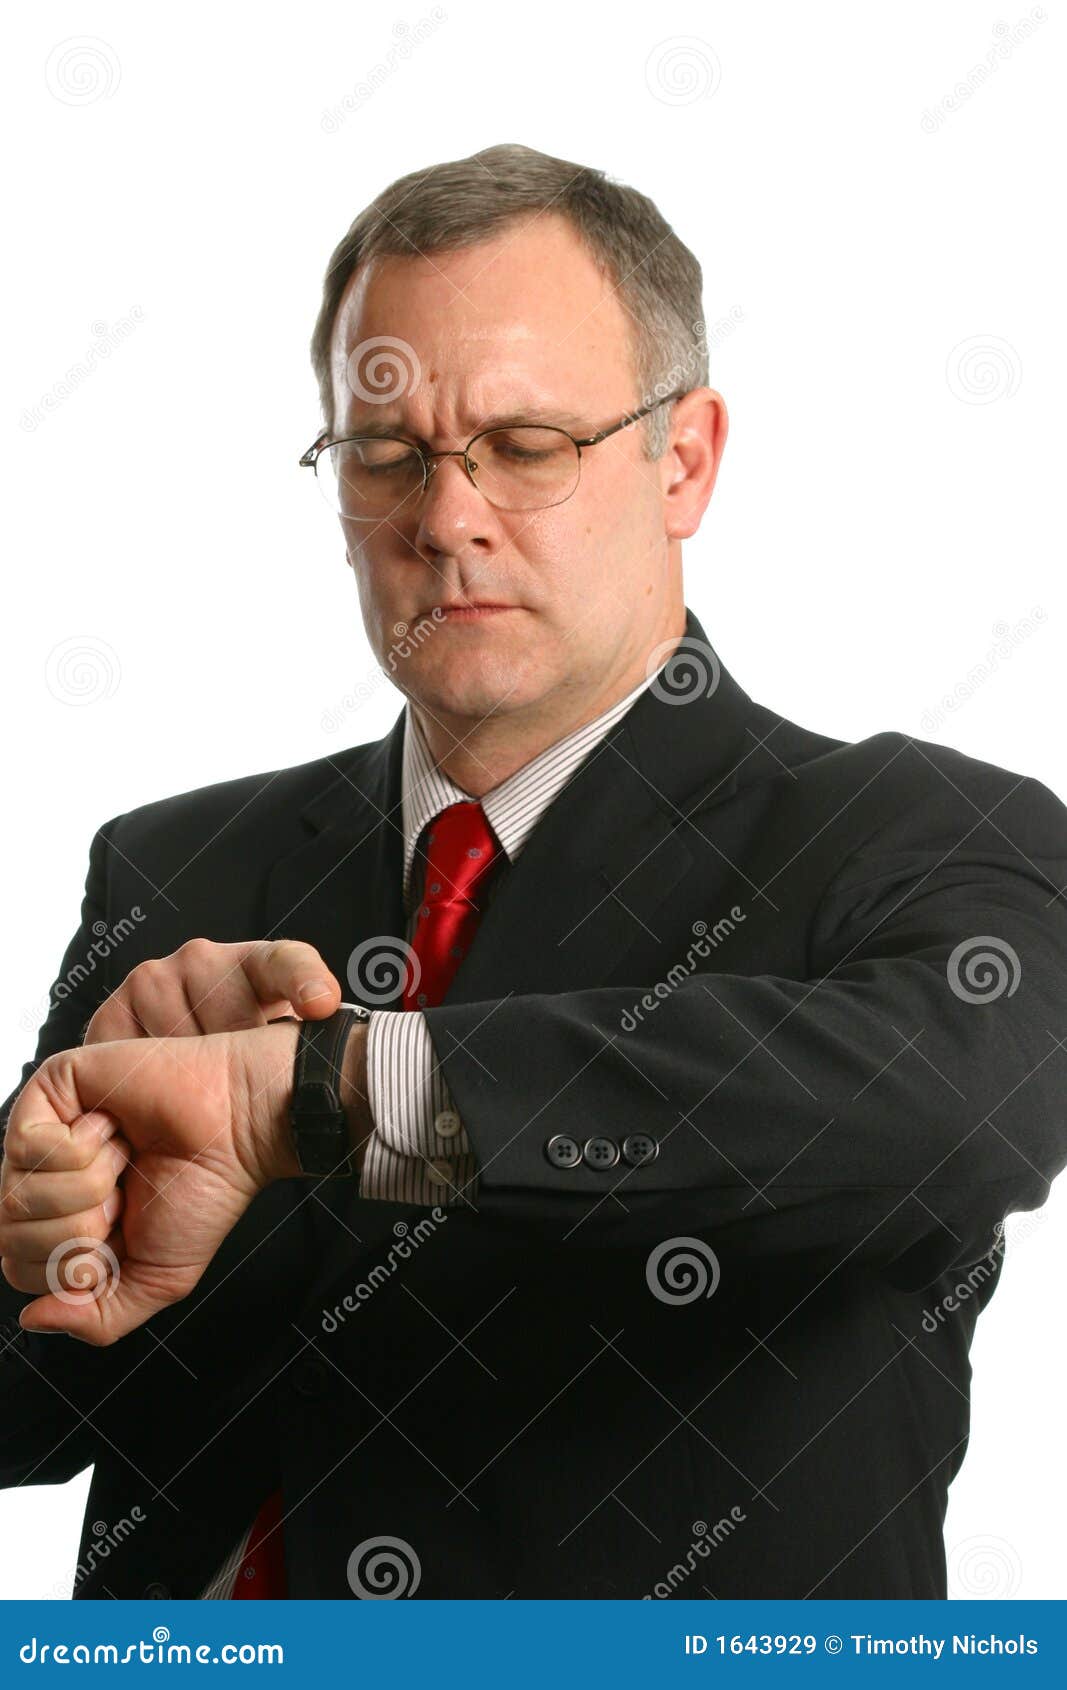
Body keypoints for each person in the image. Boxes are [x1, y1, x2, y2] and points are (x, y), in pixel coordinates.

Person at [2, 143, 1066, 1602]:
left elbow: (968, 1108)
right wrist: (48, 1233)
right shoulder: (180, 865)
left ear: (681, 459)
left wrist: (316, 1100)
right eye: (387, 454)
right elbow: (34, 1408)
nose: (446, 518)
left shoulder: (923, 834)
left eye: (527, 444)